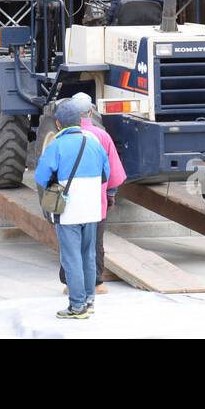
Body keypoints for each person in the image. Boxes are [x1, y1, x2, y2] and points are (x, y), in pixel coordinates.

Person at [35, 100, 110, 320]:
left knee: (71, 258)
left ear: (58, 123)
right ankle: (89, 300)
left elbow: (40, 177)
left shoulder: (56, 145)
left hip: (68, 210)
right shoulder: (95, 142)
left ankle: (77, 306)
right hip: (92, 208)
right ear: (80, 121)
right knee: (88, 255)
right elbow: (106, 174)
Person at [57, 92, 126, 295]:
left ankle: (70, 283)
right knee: (94, 243)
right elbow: (112, 170)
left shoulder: (62, 136)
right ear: (90, 111)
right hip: (96, 202)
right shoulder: (102, 136)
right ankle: (96, 283)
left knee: (70, 243)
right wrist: (110, 193)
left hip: (68, 201)